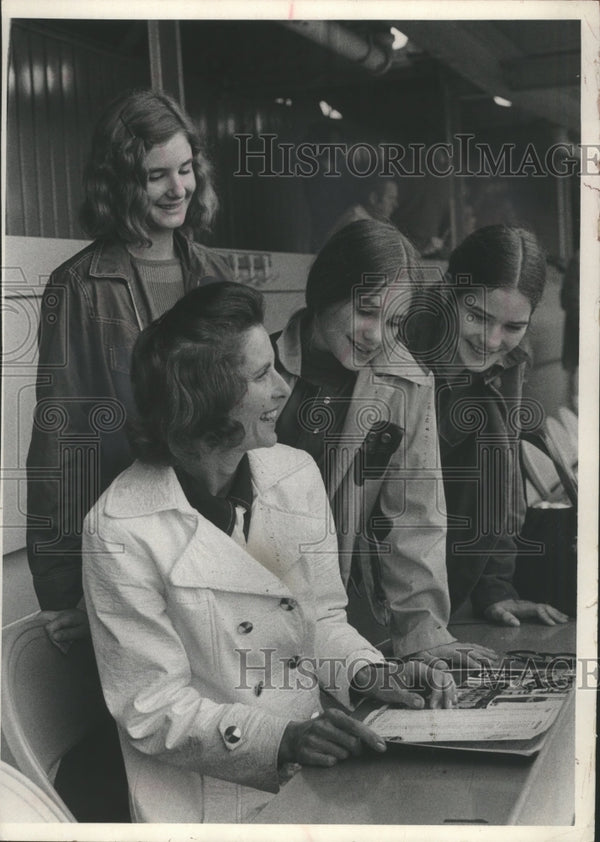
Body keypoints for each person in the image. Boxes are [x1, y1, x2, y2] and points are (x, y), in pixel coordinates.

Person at [81, 282, 455, 823]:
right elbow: (153, 710)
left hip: (315, 780)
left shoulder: (294, 472)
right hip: (202, 807)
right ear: (203, 399)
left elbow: (320, 618)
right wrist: (283, 739)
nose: (282, 389)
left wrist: (368, 672)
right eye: (261, 376)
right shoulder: (120, 529)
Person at [26, 88, 231, 646]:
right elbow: (63, 437)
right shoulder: (77, 285)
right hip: (126, 539)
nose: (176, 189)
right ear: (119, 183)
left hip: (215, 527)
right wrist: (61, 583)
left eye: (185, 169)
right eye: (155, 175)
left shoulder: (215, 274)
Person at [272, 219, 495, 667]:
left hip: (341, 615)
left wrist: (423, 634)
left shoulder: (408, 383)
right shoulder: (258, 364)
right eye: (365, 310)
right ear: (326, 293)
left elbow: (415, 515)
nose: (376, 335)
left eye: (394, 321)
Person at [405, 225, 570, 626]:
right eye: (477, 316)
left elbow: (502, 473)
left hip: (445, 591)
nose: (492, 341)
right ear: (449, 293)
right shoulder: (402, 341)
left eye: (513, 327)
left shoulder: (512, 359)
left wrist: (497, 588)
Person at [326, 176, 399, 241]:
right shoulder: (356, 223)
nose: (395, 205)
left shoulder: (372, 221)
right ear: (373, 198)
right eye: (391, 198)